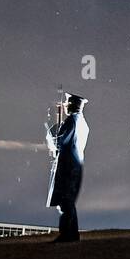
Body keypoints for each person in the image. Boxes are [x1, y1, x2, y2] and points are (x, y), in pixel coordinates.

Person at [47, 92, 89, 243]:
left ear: (71, 105)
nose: (65, 107)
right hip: (74, 163)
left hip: (67, 164)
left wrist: (52, 134)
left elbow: (61, 143)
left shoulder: (72, 120)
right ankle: (71, 233)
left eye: (67, 104)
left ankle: (67, 234)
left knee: (65, 201)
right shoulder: (82, 122)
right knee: (68, 200)